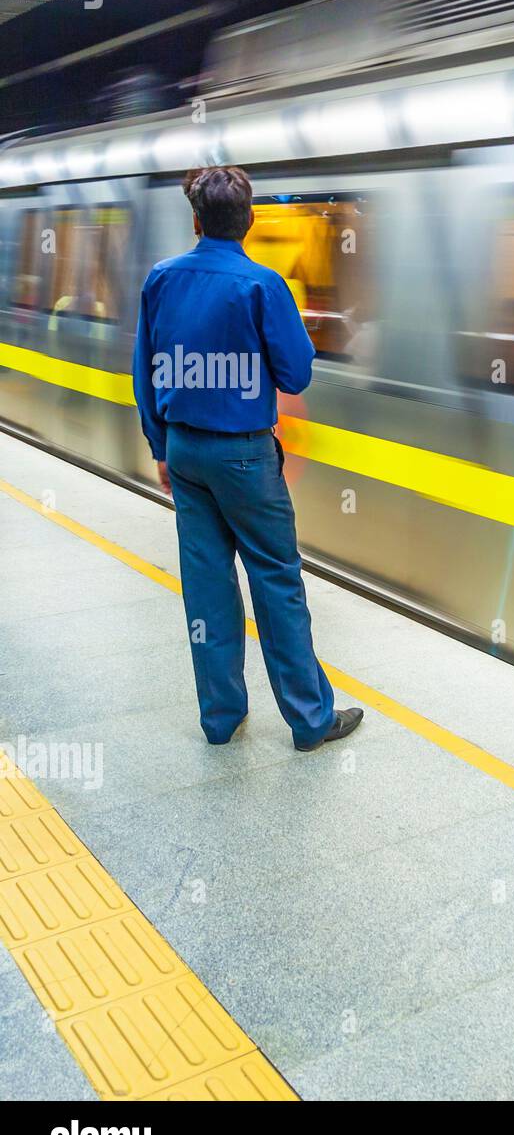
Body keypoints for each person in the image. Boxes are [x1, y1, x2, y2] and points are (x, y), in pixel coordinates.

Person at [132, 166, 363, 753]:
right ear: (250, 220)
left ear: (195, 220)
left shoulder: (161, 279)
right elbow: (295, 372)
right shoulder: (262, 286)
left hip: (183, 451)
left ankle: (221, 717)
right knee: (276, 582)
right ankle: (310, 720)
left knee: (206, 587)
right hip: (244, 458)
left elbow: (144, 372)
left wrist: (162, 448)